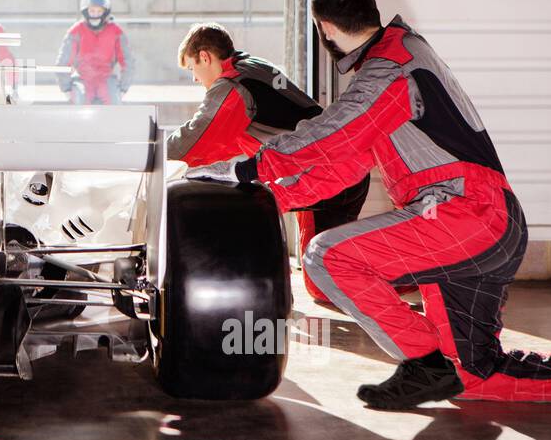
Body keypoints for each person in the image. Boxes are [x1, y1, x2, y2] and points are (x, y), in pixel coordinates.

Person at [187, 0, 551, 409]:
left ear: (323, 28)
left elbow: (329, 135)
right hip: (488, 222)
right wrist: (272, 197)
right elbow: (343, 167)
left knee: (327, 256)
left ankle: (424, 362)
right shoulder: (403, 53)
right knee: (474, 376)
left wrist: (246, 170)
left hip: (463, 214)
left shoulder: (388, 69)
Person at [167, 21, 393, 307]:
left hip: (319, 178)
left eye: (192, 69)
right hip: (348, 172)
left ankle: (265, 297)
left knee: (247, 208)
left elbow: (194, 141)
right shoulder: (255, 66)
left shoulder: (232, 86)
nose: (195, 79)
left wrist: (154, 153)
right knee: (328, 280)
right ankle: (403, 274)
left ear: (205, 57)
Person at [56, 0, 133, 105]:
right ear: (86, 11)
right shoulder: (76, 31)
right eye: (92, 11)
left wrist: (123, 88)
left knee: (113, 103)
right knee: (81, 102)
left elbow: (128, 61)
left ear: (105, 12)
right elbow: (63, 61)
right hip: (83, 78)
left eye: (99, 11)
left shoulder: (115, 31)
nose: (95, 14)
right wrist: (66, 88)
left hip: (106, 78)